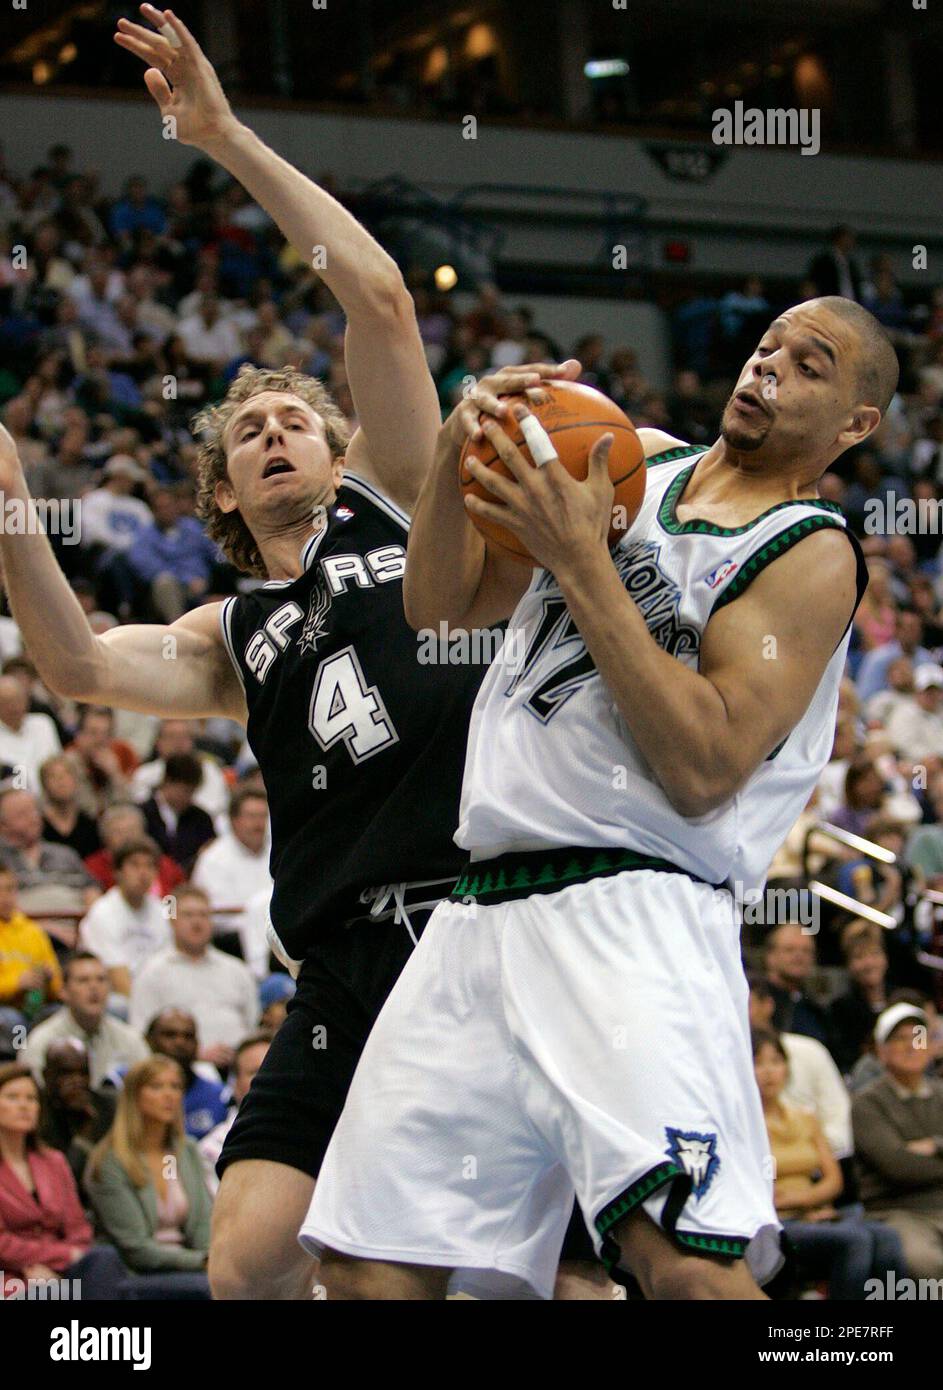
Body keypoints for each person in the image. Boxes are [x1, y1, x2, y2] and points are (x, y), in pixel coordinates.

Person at [0, 2, 514, 1303]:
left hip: (488, 922)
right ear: (224, 496)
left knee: (509, 1266)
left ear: (339, 452)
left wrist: (222, 135)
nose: (279, 431)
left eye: (298, 418)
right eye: (251, 433)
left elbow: (381, 298)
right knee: (247, 1263)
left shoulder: (398, 500)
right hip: (345, 954)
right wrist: (10, 498)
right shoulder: (229, 629)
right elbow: (76, 668)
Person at [301, 290, 899, 1301]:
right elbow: (438, 603)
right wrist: (455, 455)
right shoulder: (629, 459)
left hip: (633, 907)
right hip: (478, 906)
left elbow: (703, 764)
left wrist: (582, 560)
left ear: (857, 424)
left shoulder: (809, 549)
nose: (766, 368)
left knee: (685, 1267)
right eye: (765, 348)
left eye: (809, 365)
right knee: (367, 1266)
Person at [753, 1031, 904, 1299]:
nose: (769, 1072)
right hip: (775, 1224)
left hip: (815, 1213)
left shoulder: (805, 1118)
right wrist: (805, 1206)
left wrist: (806, 1203)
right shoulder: (747, 1125)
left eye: (776, 1061)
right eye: (759, 1062)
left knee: (887, 1237)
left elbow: (834, 1180)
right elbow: (766, 1192)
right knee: (855, 1241)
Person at [85, 1055, 211, 1298]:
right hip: (135, 1274)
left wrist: (212, 1258)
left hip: (191, 1267)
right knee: (206, 1289)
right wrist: (201, 1261)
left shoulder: (186, 1151)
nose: (169, 1095)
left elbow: (204, 1222)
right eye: (156, 1086)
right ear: (134, 1096)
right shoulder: (110, 1161)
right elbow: (136, 1248)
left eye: (175, 1086)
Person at [0, 1062, 127, 1299]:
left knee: (104, 1258)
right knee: (55, 1293)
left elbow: (78, 1228)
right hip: (9, 1275)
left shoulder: (53, 1161)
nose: (24, 1106)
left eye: (31, 1099)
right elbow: (2, 1243)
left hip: (61, 1270)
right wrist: (61, 1257)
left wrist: (58, 1262)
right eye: (13, 1097)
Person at [852, 1001, 943, 1278]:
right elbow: (898, 1166)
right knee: (926, 1263)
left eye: (917, 1037)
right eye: (899, 1039)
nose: (910, 1045)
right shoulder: (866, 1103)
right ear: (881, 1052)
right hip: (898, 1210)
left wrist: (935, 1146)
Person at [130, 885, 258, 1065]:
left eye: (203, 915)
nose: (197, 922)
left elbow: (252, 1024)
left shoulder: (237, 970)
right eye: (188, 915)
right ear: (172, 920)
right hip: (181, 1068)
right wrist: (195, 1055)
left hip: (238, 1067)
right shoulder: (152, 972)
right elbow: (141, 1035)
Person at [747, 975, 852, 1161]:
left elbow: (838, 1123)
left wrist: (803, 1156)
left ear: (767, 1005)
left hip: (818, 1165)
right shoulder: (719, 1064)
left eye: (745, 1004)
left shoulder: (809, 1051)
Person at [23, 951, 150, 1088]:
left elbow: (149, 1086)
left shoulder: (130, 1039)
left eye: (101, 979)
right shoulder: (41, 1042)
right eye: (83, 980)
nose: (94, 987)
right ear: (63, 991)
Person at [78, 839, 172, 997]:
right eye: (135, 865)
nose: (143, 873)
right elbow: (118, 980)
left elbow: (169, 965)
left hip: (156, 991)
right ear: (118, 872)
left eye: (149, 866)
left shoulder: (163, 910)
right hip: (113, 995)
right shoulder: (102, 912)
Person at [190, 787, 272, 959]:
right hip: (232, 945)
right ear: (234, 821)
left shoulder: (278, 853)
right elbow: (221, 917)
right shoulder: (213, 859)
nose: (258, 824)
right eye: (251, 816)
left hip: (278, 938)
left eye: (263, 816)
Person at [199, 1032, 271, 1195]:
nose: (268, 1078)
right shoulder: (212, 1150)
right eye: (255, 1072)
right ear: (234, 1084)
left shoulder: (317, 1136)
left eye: (275, 1068)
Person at [39, 1039, 116, 1187]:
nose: (77, 1081)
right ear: (47, 1075)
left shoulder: (108, 1106)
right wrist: (83, 1134)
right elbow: (62, 1184)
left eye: (83, 1073)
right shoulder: (37, 1112)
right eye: (66, 1074)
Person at [144, 1010, 228, 1140]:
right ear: (149, 1040)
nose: (180, 1043)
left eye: (188, 1036)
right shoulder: (123, 1084)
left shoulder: (220, 1096)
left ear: (197, 1044)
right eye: (170, 1035)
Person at [0, 863, 62, 1032]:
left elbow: (58, 987)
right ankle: (18, 1055)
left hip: (35, 1006)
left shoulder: (33, 931)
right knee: (14, 1022)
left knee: (61, 1015)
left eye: (10, 889)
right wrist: (17, 983)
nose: (5, 897)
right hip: (6, 1010)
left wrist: (49, 979)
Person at [84, 801, 184, 897]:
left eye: (132, 830)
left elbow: (180, 896)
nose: (126, 837)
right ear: (105, 837)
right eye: (119, 832)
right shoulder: (92, 868)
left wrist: (170, 914)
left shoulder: (164, 864)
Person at [139, 754, 215, 872]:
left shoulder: (201, 819)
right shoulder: (142, 814)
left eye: (192, 791)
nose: (188, 797)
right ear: (167, 781)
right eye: (185, 790)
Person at [764, 923, 831, 1048]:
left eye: (806, 951)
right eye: (790, 949)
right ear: (771, 956)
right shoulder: (756, 1002)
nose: (799, 956)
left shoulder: (817, 1010)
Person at [0, 673, 61, 791]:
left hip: (52, 797)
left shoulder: (43, 723)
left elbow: (57, 763)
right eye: (6, 702)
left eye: (17, 700)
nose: (14, 707)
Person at [39, 754, 102, 860]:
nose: (60, 781)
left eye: (65, 774)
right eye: (53, 776)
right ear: (44, 786)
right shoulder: (39, 827)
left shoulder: (90, 823)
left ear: (75, 780)